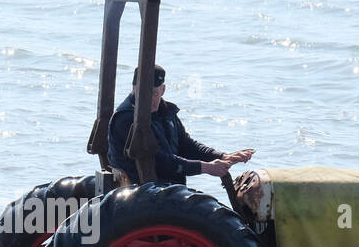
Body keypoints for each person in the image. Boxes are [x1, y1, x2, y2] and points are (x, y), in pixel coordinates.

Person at [107, 65, 253, 186]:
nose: (146, 100)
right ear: (133, 88)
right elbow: (158, 161)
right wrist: (205, 168)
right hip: (141, 190)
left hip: (167, 186)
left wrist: (222, 156)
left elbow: (186, 145)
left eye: (153, 93)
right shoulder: (126, 119)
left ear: (163, 90)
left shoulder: (167, 113)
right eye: (140, 93)